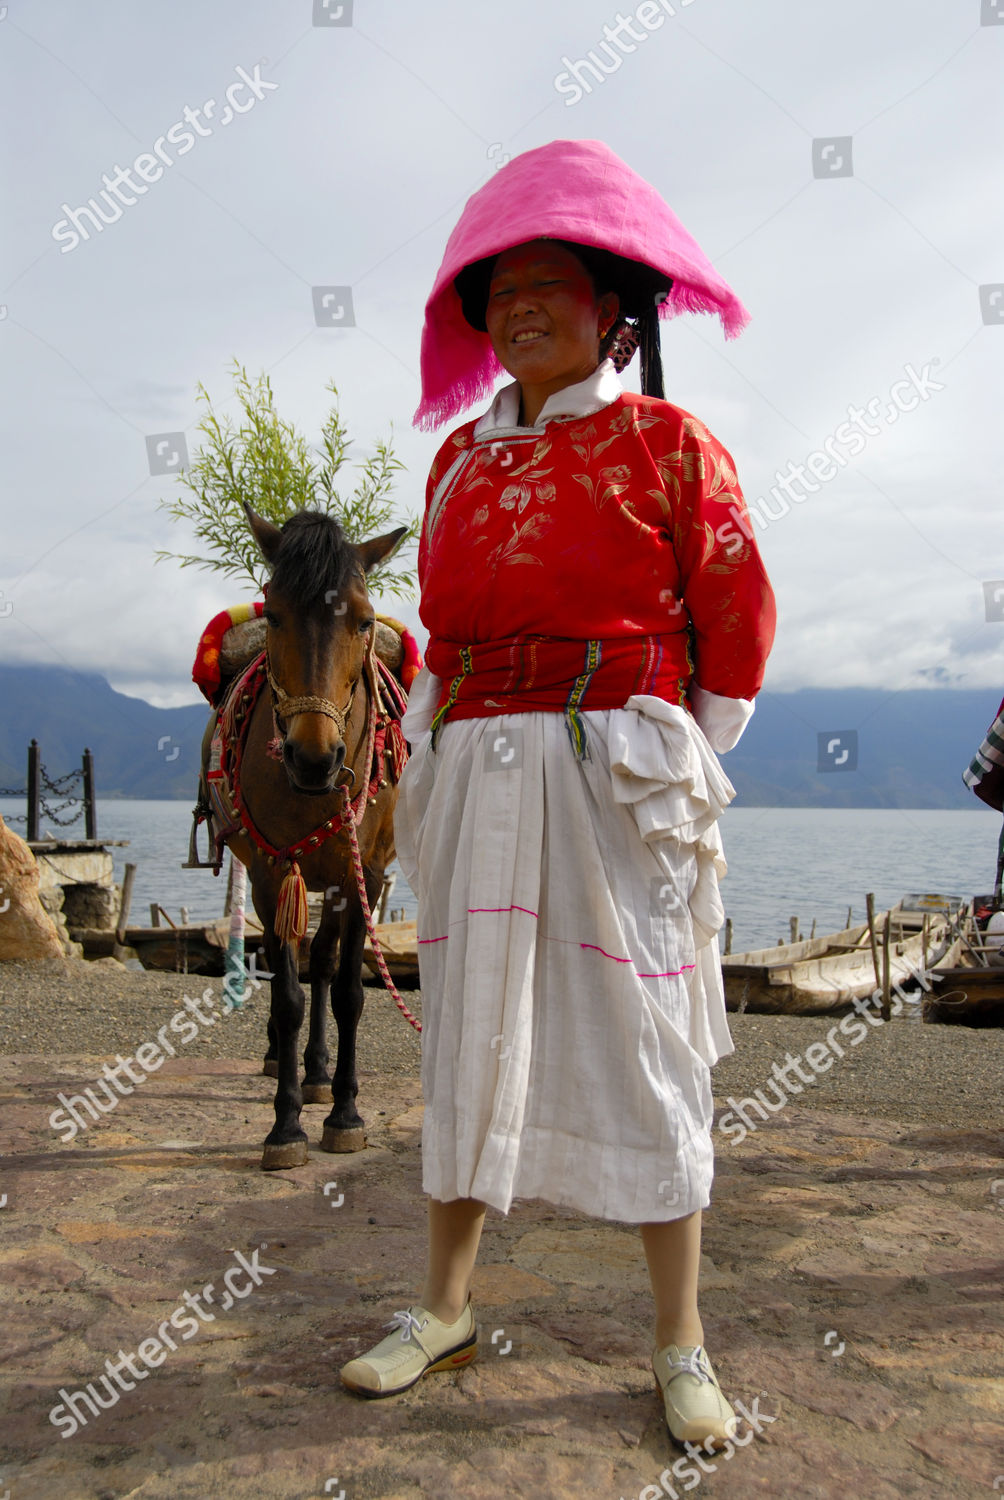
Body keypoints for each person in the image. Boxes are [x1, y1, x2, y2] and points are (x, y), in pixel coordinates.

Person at [340, 139, 776, 1450]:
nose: (519, 309)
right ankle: (444, 1308)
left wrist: (672, 759)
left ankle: (681, 1341)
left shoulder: (670, 448)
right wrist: (418, 766)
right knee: (471, 1034)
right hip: (475, 768)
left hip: (618, 778)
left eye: (550, 286)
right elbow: (439, 633)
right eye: (499, 294)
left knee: (647, 1055)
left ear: (615, 311)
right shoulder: (455, 468)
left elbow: (738, 618)